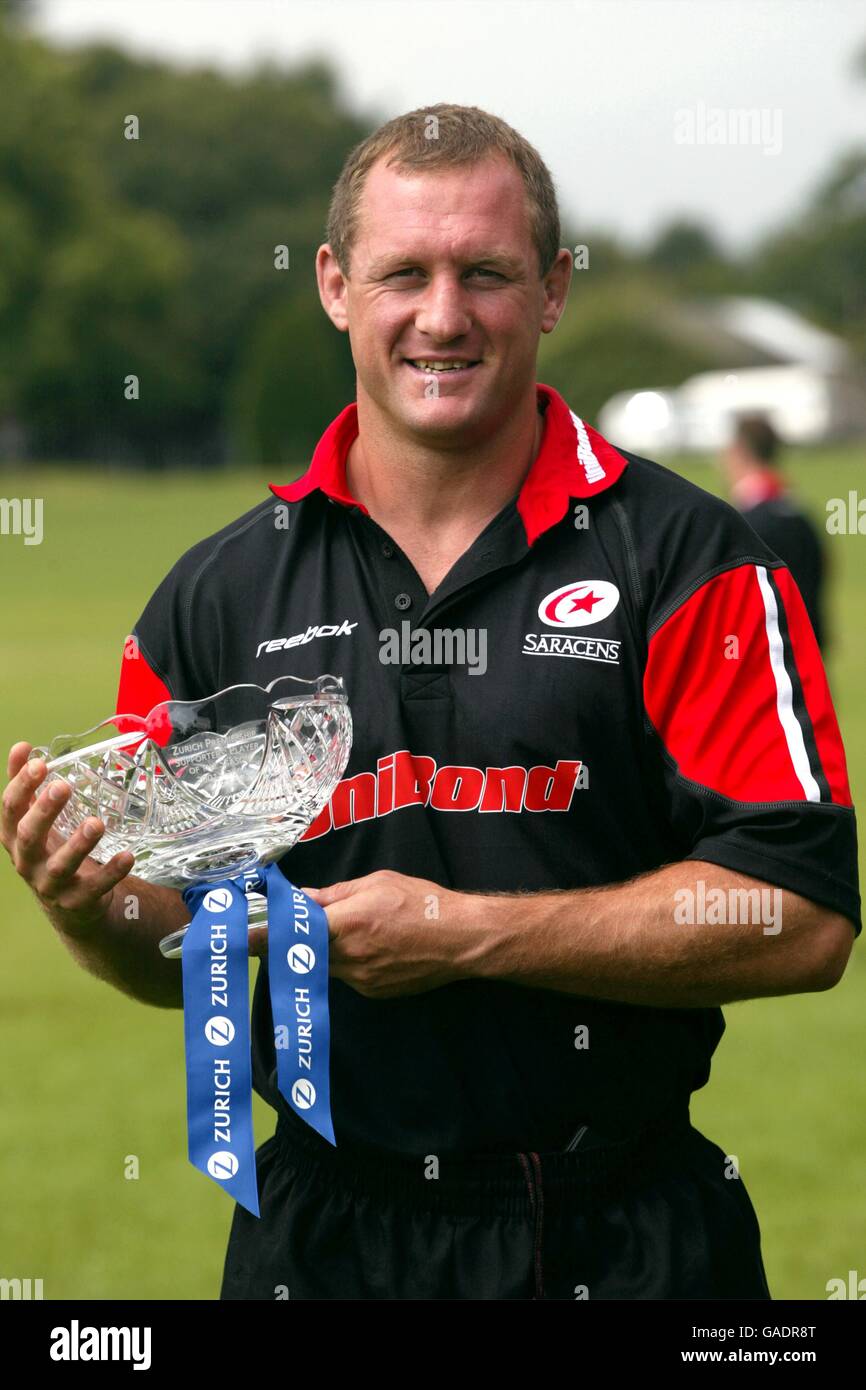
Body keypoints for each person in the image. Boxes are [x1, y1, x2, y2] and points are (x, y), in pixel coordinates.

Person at [2, 104, 860, 1302]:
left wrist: (462, 934)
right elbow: (179, 955)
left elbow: (801, 913)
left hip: (628, 1231)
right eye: (403, 271)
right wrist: (91, 907)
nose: (442, 315)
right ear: (336, 286)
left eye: (488, 273)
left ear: (553, 288)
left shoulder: (688, 557)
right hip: (325, 1234)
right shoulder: (217, 591)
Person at [722, 413, 828, 650]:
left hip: (765, 655)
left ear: (738, 451)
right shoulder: (800, 514)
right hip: (806, 648)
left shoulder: (745, 524)